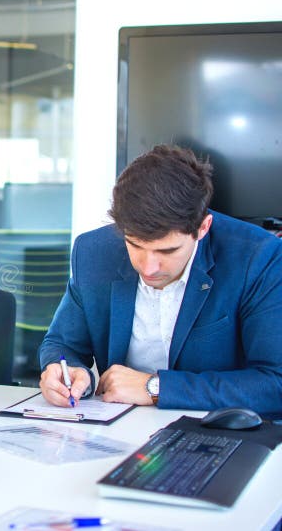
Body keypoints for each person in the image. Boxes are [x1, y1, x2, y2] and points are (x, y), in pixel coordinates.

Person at [39, 144, 282, 413]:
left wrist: (155, 388)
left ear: (203, 227)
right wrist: (66, 370)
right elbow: (61, 344)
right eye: (135, 245)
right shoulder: (94, 252)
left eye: (167, 250)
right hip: (119, 426)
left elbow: (274, 383)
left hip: (215, 430)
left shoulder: (257, 257)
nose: (149, 267)